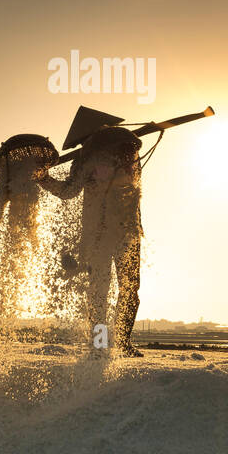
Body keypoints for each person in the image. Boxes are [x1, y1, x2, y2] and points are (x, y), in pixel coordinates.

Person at [39, 124, 144, 357]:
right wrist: (43, 179)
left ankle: (123, 343)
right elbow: (68, 191)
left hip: (128, 232)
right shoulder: (85, 162)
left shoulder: (129, 159)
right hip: (98, 236)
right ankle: (99, 345)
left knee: (130, 289)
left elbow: (134, 199)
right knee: (99, 291)